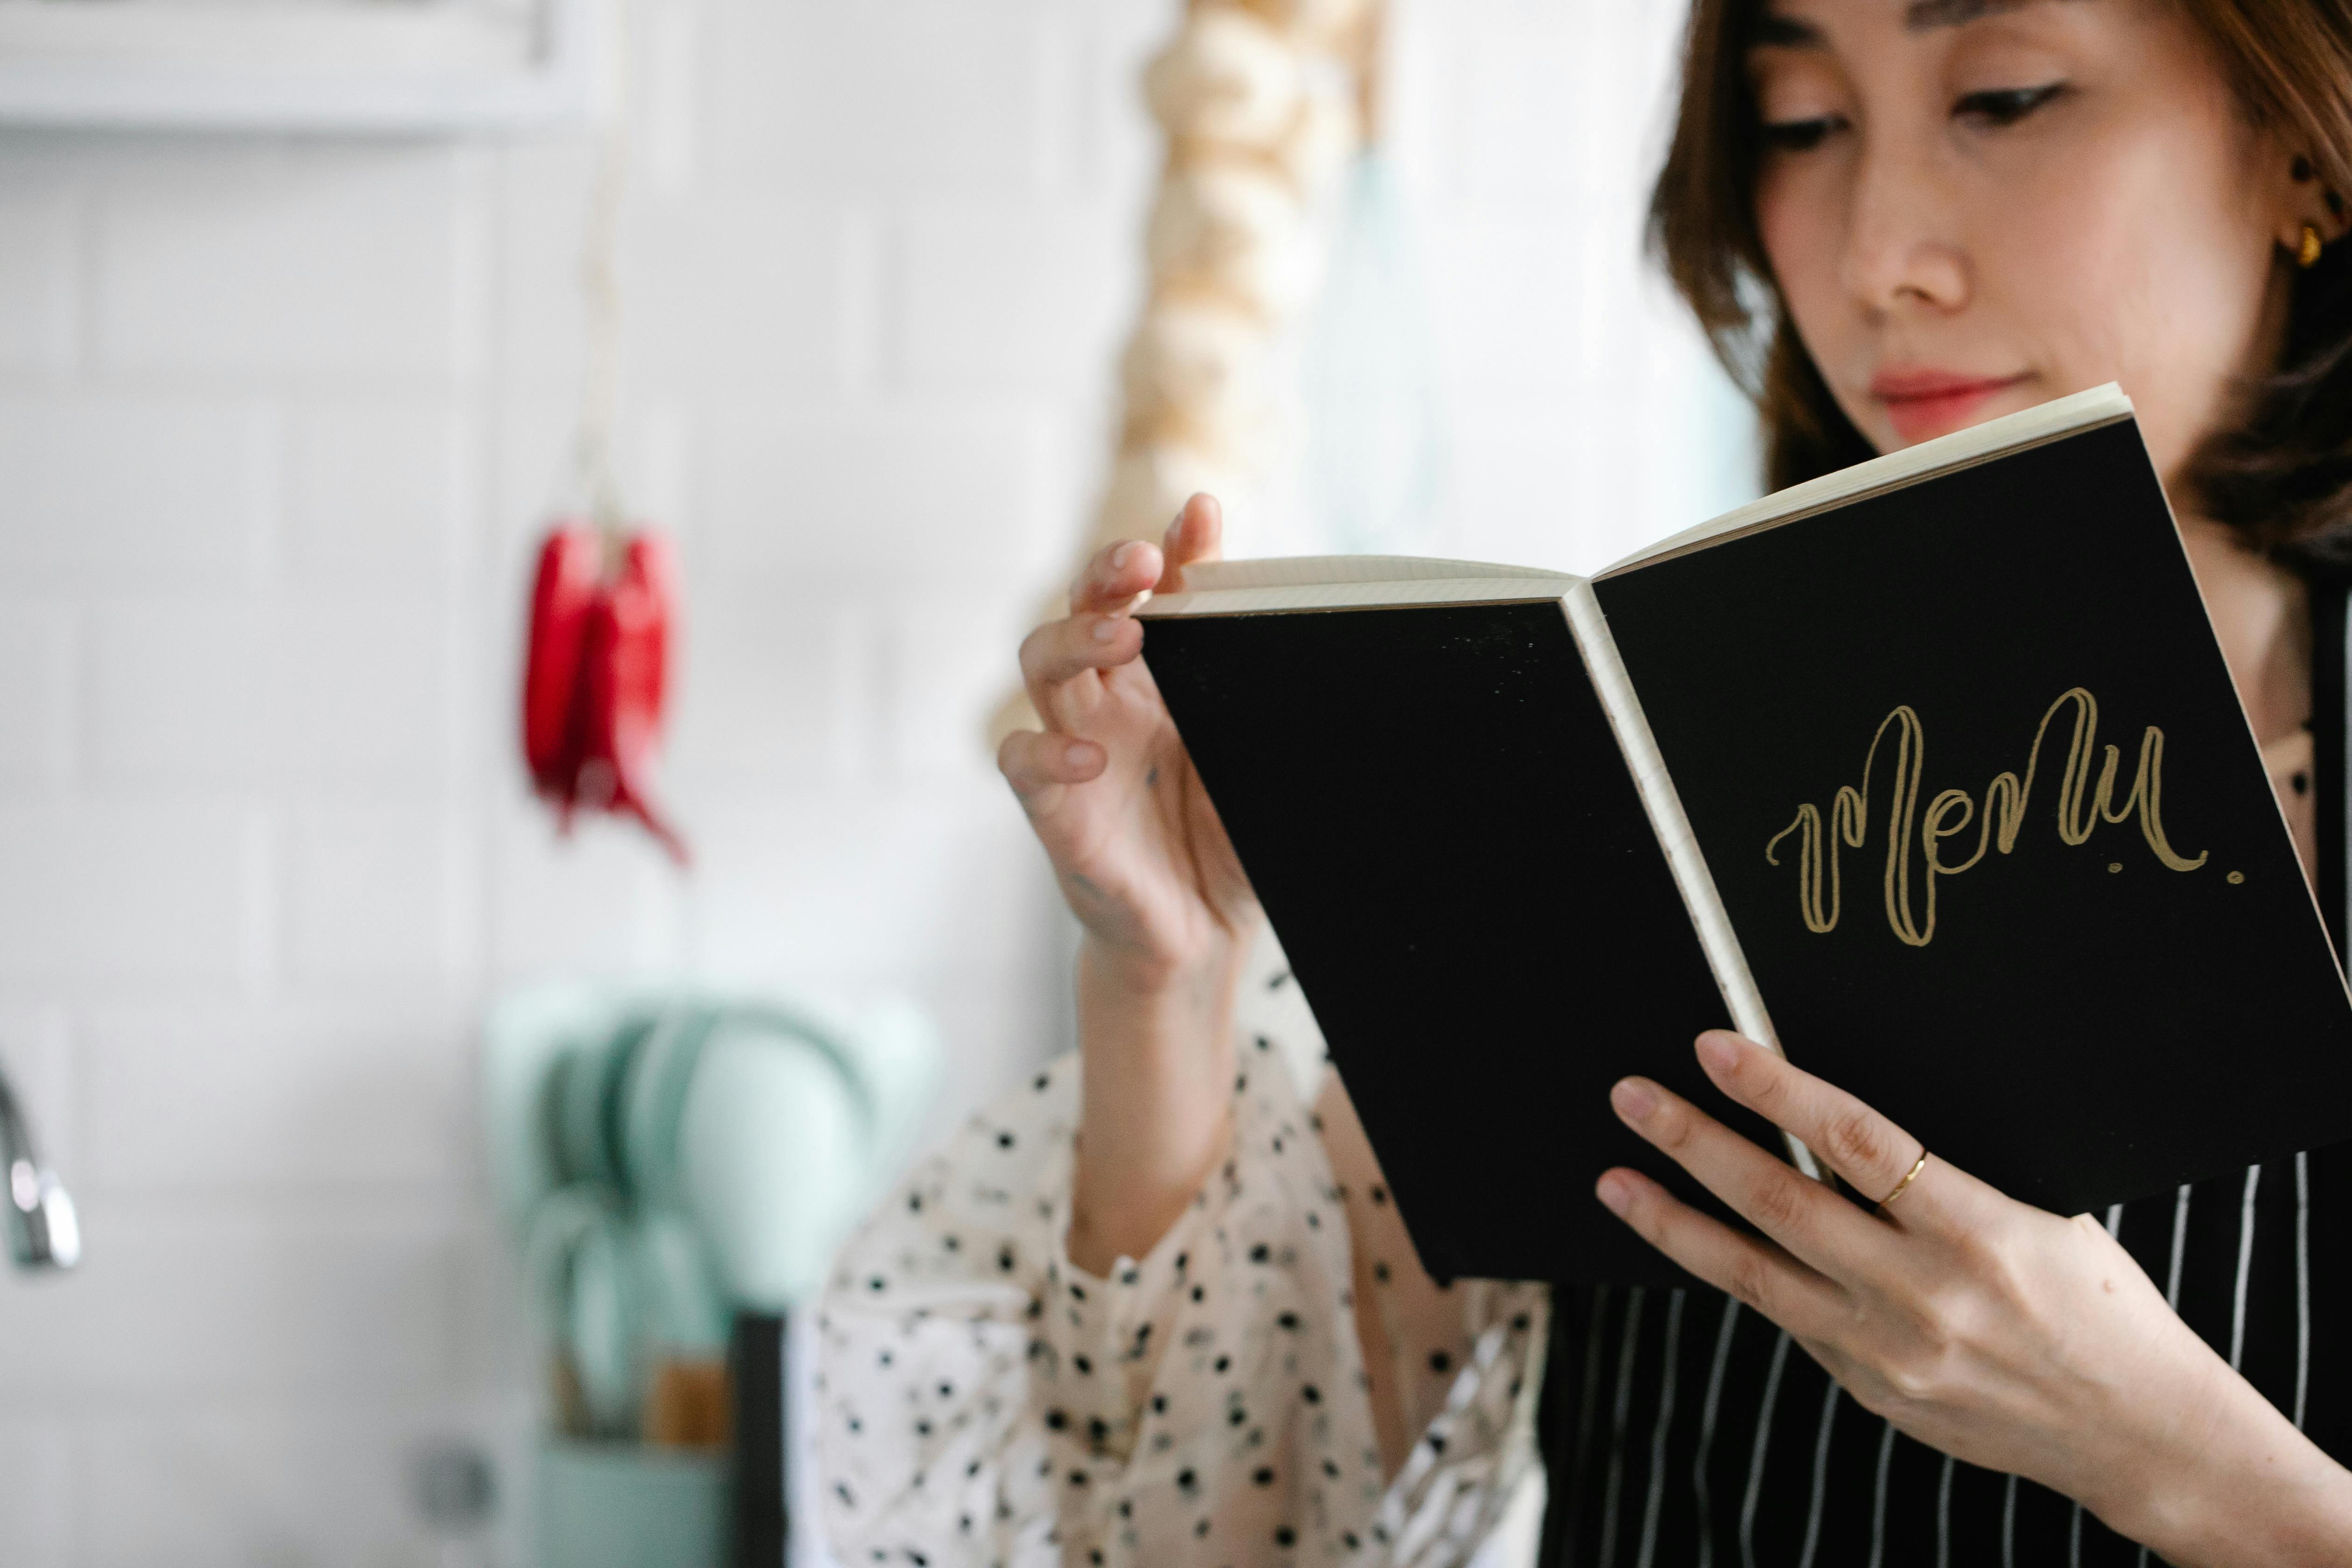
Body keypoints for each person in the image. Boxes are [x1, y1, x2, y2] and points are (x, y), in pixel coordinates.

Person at [818, 0, 2352, 1562]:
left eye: (2007, 98)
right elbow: (1209, 1533)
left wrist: (2162, 1451)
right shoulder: (1625, 762)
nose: (1879, 254)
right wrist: (1169, 980)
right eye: (1803, 124)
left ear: (2304, 144)